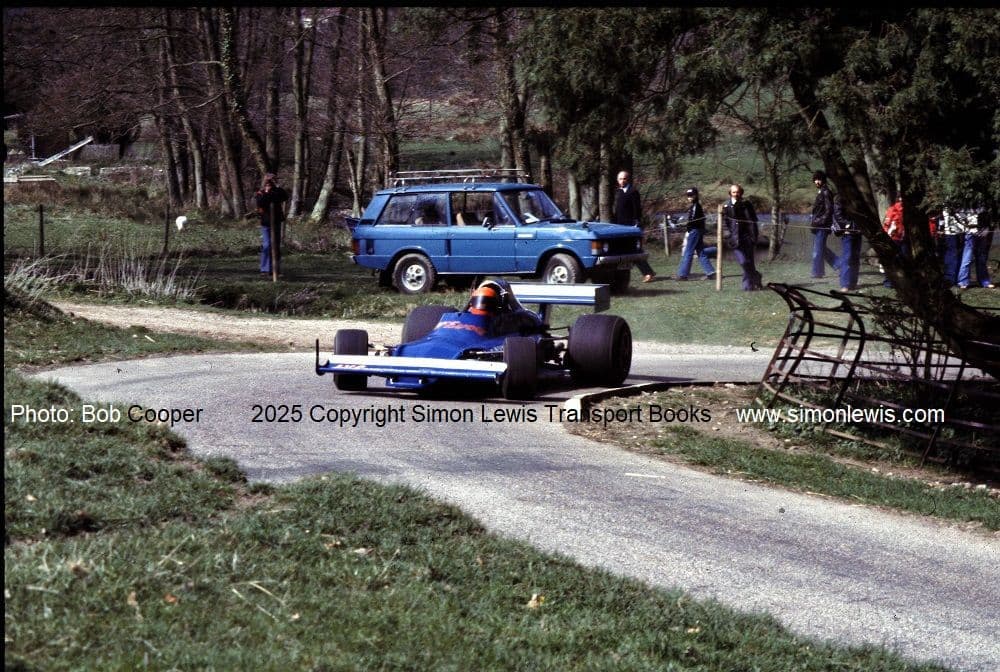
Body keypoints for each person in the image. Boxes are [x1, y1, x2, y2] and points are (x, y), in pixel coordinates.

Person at [614, 170, 656, 282]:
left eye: (624, 178)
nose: (622, 181)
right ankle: (618, 275)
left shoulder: (633, 192)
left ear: (628, 179)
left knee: (634, 250)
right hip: (619, 227)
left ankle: (648, 273)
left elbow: (637, 209)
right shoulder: (619, 192)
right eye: (620, 179)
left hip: (630, 227)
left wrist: (636, 223)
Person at [722, 183, 762, 291]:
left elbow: (753, 221)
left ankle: (748, 286)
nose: (736, 194)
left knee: (750, 261)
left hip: (747, 237)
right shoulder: (726, 206)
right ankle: (756, 276)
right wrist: (727, 235)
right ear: (730, 193)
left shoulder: (747, 204)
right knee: (743, 261)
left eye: (738, 192)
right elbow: (724, 224)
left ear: (741, 193)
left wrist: (754, 236)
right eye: (734, 192)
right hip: (734, 239)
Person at [675, 187, 716, 280]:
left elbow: (694, 220)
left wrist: (687, 225)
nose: (689, 197)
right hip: (698, 230)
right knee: (700, 252)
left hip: (695, 231)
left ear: (696, 195)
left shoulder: (696, 206)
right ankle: (711, 273)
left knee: (688, 252)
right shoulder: (695, 206)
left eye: (691, 195)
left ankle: (683, 274)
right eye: (688, 196)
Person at [254, 173, 289, 275]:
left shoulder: (277, 192)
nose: (269, 185)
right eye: (268, 183)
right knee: (267, 245)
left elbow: (284, 196)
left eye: (271, 183)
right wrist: (267, 192)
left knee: (276, 245)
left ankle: (275, 269)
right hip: (266, 222)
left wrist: (276, 185)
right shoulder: (260, 193)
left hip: (276, 222)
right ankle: (265, 269)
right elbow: (261, 203)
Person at [957, 208, 996, 289]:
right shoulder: (965, 204)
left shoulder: (984, 203)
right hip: (970, 232)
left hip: (982, 232)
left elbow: (988, 216)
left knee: (981, 258)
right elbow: (960, 216)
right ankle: (963, 281)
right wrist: (965, 226)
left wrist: (986, 228)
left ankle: (984, 281)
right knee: (967, 258)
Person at [810, 170, 839, 278]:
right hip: (819, 225)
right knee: (821, 248)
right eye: (815, 180)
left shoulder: (826, 192)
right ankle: (840, 265)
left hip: (822, 226)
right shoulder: (821, 191)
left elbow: (829, 210)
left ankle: (817, 273)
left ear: (823, 180)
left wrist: (819, 221)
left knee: (817, 250)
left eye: (819, 179)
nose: (816, 182)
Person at [831, 195, 862, 291]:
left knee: (856, 258)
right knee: (847, 258)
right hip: (847, 233)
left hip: (858, 232)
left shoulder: (859, 197)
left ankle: (853, 283)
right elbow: (838, 215)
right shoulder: (840, 198)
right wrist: (849, 226)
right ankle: (845, 284)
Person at [881, 196, 908, 288]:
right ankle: (888, 281)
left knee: (901, 259)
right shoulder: (893, 209)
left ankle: (900, 280)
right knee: (892, 259)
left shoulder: (907, 210)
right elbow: (886, 224)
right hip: (894, 238)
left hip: (903, 238)